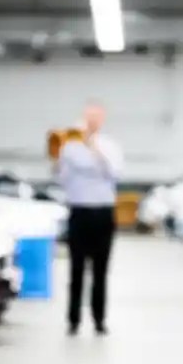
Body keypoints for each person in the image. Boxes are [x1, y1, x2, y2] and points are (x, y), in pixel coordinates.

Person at [56, 102, 123, 335]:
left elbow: (114, 173)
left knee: (101, 271)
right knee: (76, 269)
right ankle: (73, 319)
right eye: (88, 117)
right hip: (79, 210)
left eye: (96, 117)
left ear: (102, 119)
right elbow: (63, 177)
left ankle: (99, 319)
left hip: (103, 211)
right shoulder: (70, 146)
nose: (92, 122)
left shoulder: (109, 146)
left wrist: (94, 149)